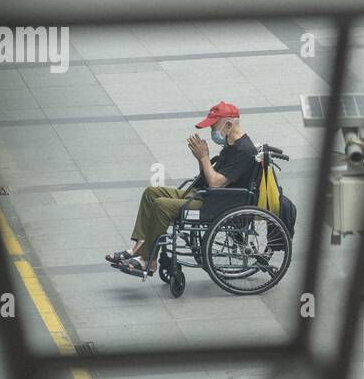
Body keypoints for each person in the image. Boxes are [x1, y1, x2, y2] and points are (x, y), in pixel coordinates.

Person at [105, 102, 259, 280]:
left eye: (213, 127)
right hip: (206, 194)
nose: (211, 132)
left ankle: (149, 260)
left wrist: (204, 157)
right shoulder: (231, 147)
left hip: (215, 204)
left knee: (161, 205)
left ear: (229, 125)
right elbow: (210, 177)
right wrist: (202, 160)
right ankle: (138, 247)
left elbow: (216, 183)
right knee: (151, 193)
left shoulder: (243, 151)